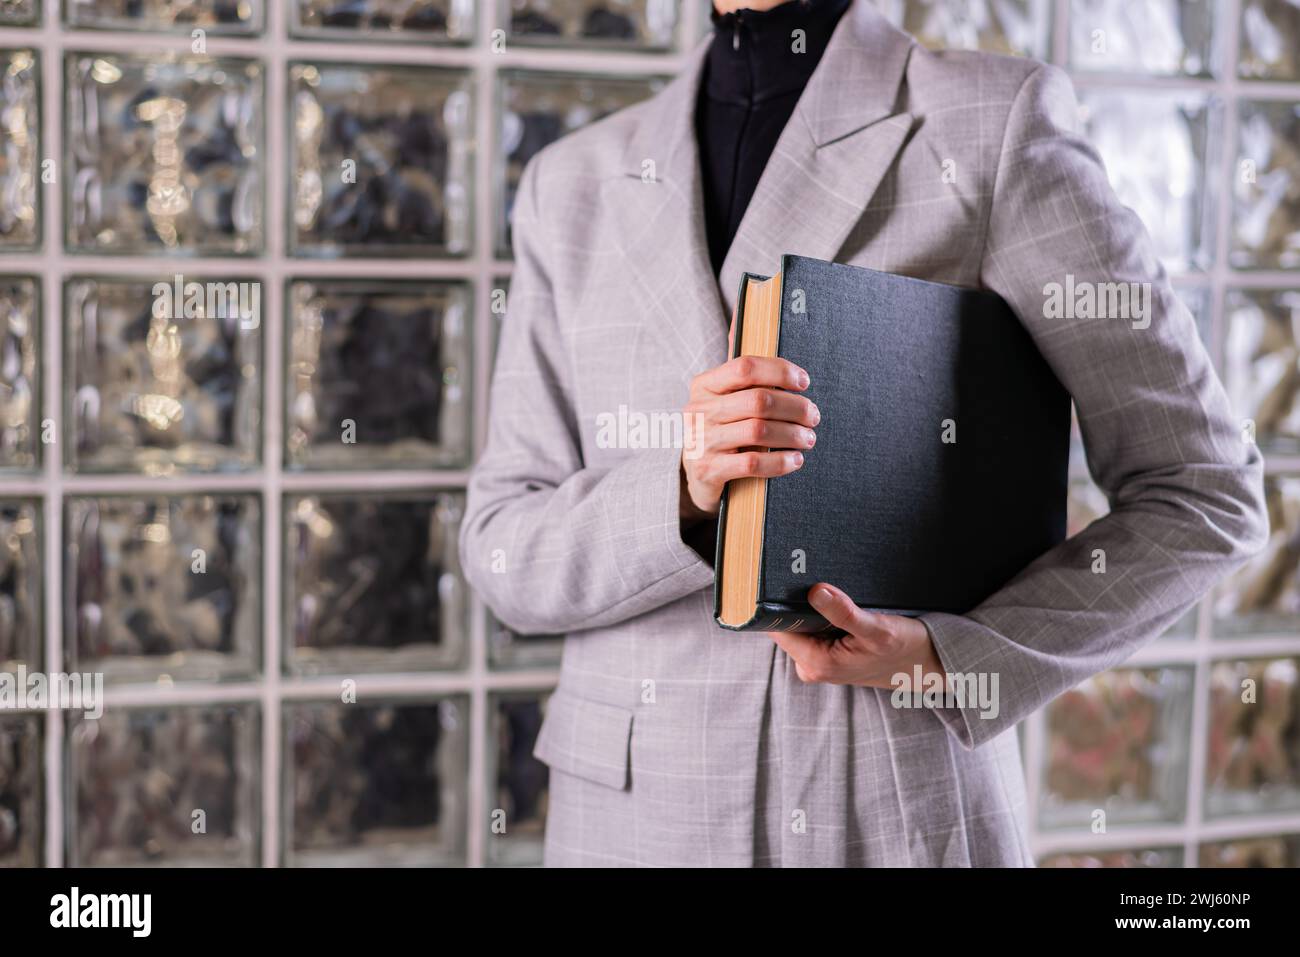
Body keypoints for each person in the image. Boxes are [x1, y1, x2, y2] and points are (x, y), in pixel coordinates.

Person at [461, 0, 1268, 866]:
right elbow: (504, 547)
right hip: (626, 823)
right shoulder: (567, 185)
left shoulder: (991, 122)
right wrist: (682, 489)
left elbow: (1203, 492)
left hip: (883, 810)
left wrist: (953, 658)